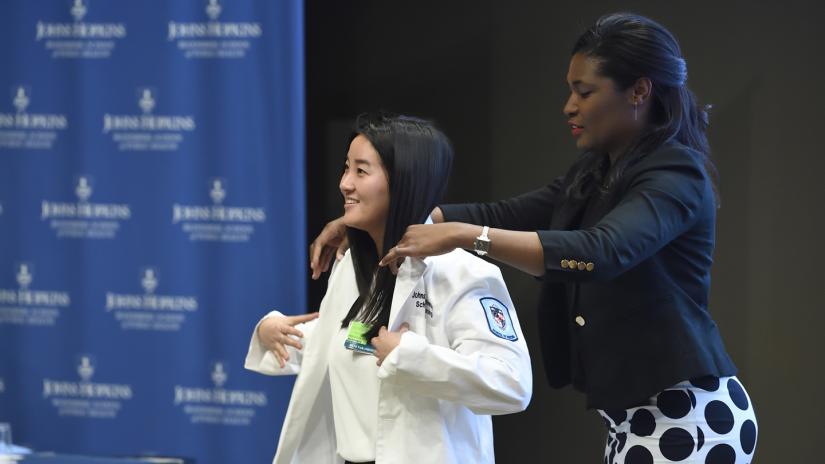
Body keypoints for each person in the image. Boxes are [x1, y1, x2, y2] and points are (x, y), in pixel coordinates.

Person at [310, 14, 757, 464]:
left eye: (585, 92)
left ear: (639, 91)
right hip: (631, 420)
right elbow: (502, 214)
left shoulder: (676, 173)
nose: (569, 106)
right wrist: (378, 218)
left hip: (690, 419)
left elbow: (602, 253)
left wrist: (467, 237)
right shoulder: (595, 172)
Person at [246, 113, 532, 464]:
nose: (344, 184)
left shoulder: (461, 272)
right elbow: (355, 339)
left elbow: (511, 384)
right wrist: (278, 333)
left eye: (361, 171)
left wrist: (411, 356)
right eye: (345, 168)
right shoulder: (351, 264)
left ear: (403, 181)